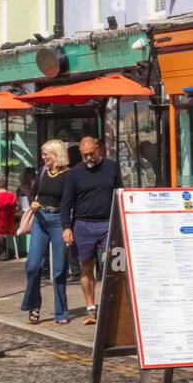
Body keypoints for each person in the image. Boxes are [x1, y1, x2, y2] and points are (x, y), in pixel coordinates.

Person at [61, 136, 121, 325]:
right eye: (84, 155)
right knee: (86, 267)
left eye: (91, 154)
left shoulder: (112, 167)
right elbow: (66, 203)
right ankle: (90, 308)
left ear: (98, 148)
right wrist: (66, 228)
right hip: (83, 226)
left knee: (118, 266)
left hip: (109, 223)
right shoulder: (74, 173)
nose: (88, 158)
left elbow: (121, 193)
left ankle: (117, 308)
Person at [20, 140, 71, 326]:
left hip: (58, 220)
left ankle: (61, 311)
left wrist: (67, 227)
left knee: (58, 269)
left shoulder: (68, 175)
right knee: (33, 265)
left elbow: (67, 202)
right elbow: (32, 193)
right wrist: (33, 201)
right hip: (40, 219)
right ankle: (34, 305)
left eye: (46, 154)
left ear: (56, 154)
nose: (43, 158)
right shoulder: (43, 171)